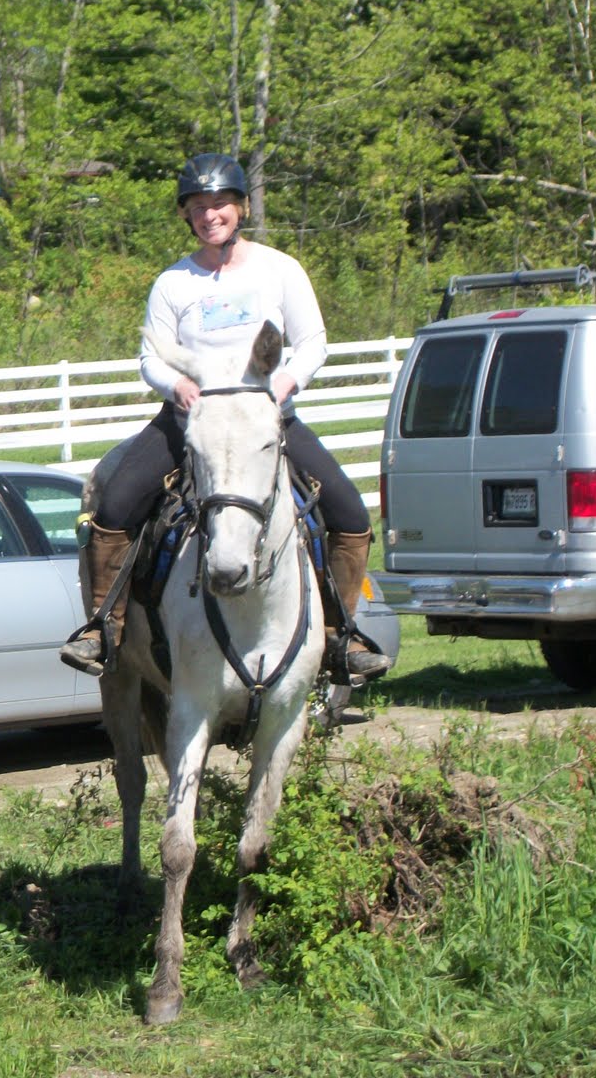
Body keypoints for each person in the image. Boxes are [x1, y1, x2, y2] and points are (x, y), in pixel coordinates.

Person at [59, 152, 391, 694]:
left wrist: (285, 385)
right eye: (197, 207)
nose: (209, 215)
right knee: (115, 507)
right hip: (191, 421)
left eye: (219, 204)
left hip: (267, 422)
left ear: (241, 208)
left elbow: (313, 342)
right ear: (186, 216)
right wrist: (177, 387)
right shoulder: (173, 282)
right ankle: (104, 629)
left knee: (351, 516)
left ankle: (340, 637)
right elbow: (151, 357)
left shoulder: (280, 269)